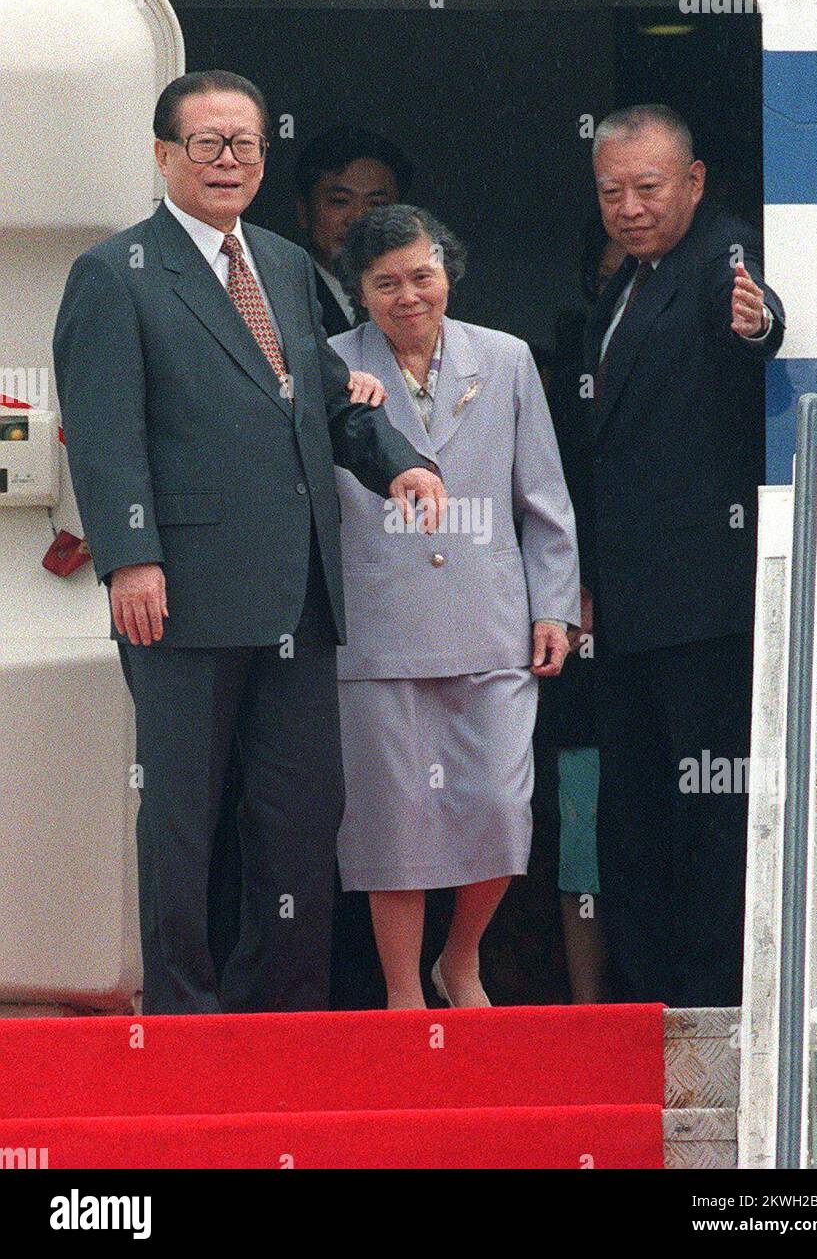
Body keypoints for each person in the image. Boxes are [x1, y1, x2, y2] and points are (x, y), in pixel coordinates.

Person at [53, 71, 445, 1015]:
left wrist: (398, 462)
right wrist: (130, 556)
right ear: (161, 155)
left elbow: (320, 398)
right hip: (181, 593)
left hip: (299, 592)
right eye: (207, 144)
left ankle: (281, 1015)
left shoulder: (279, 261)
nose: (230, 161)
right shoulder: (117, 272)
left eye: (247, 145)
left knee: (302, 822)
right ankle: (187, 1018)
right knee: (185, 823)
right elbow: (105, 433)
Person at [330, 204, 581, 1010]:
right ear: (358, 293)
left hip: (491, 622)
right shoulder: (331, 368)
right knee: (391, 826)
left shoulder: (504, 360)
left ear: (448, 271)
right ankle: (404, 994)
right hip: (377, 629)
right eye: (386, 283)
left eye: (422, 275)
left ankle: (460, 961)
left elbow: (543, 496)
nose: (409, 295)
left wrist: (554, 607)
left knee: (501, 811)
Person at [580, 104, 785, 1008]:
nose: (628, 207)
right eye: (611, 190)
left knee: (706, 812)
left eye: (649, 188)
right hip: (630, 610)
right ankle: (642, 996)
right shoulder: (624, 280)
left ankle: (703, 1000)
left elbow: (754, 318)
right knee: (633, 815)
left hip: (703, 606)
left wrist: (760, 324)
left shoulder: (721, 257)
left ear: (694, 183)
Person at [539, 222, 625, 1002]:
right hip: (574, 626)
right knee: (579, 820)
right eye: (611, 274)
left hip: (667, 613)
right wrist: (570, 586)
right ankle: (584, 1003)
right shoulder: (560, 375)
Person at [294, 125, 412, 336]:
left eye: (377, 204)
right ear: (304, 211)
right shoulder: (282, 295)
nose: (358, 219)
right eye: (340, 202)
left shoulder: (419, 296)